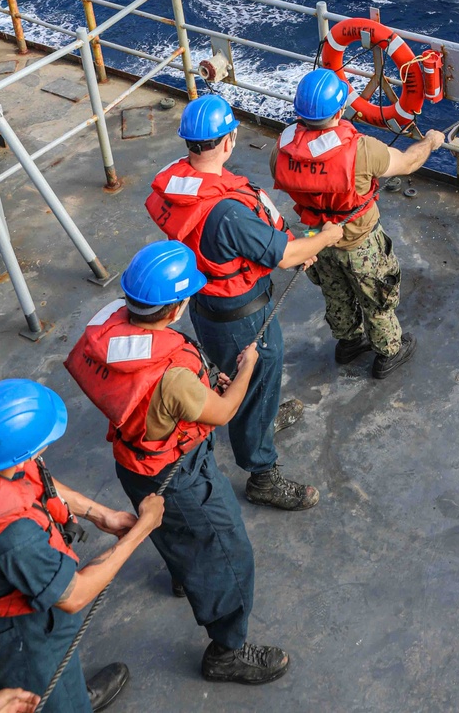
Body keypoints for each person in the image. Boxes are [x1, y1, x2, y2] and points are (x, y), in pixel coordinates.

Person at [65, 242, 288, 687]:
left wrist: (201, 386)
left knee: (168, 528)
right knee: (230, 553)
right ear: (177, 307)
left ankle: (185, 575)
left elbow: (165, 395)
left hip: (134, 465)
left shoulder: (113, 333)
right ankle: (227, 651)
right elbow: (223, 412)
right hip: (178, 473)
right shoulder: (173, 377)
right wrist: (245, 369)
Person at [146, 95, 342, 511]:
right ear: (229, 140)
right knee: (254, 378)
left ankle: (263, 420)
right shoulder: (227, 212)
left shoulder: (176, 183)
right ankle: (262, 475)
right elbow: (283, 255)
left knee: (249, 382)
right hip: (242, 317)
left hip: (203, 304)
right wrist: (324, 238)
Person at [0, 378, 163, 713]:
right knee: (52, 698)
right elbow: (75, 595)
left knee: (63, 687)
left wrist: (100, 514)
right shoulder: (14, 538)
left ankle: (71, 694)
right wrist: (142, 529)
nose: (44, 450)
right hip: (21, 639)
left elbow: (31, 478)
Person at [272, 69, 444, 377]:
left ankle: (348, 343)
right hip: (360, 242)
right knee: (376, 296)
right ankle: (389, 352)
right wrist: (430, 142)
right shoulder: (362, 151)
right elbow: (408, 162)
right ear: (340, 110)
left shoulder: (281, 150)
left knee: (335, 293)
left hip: (316, 238)